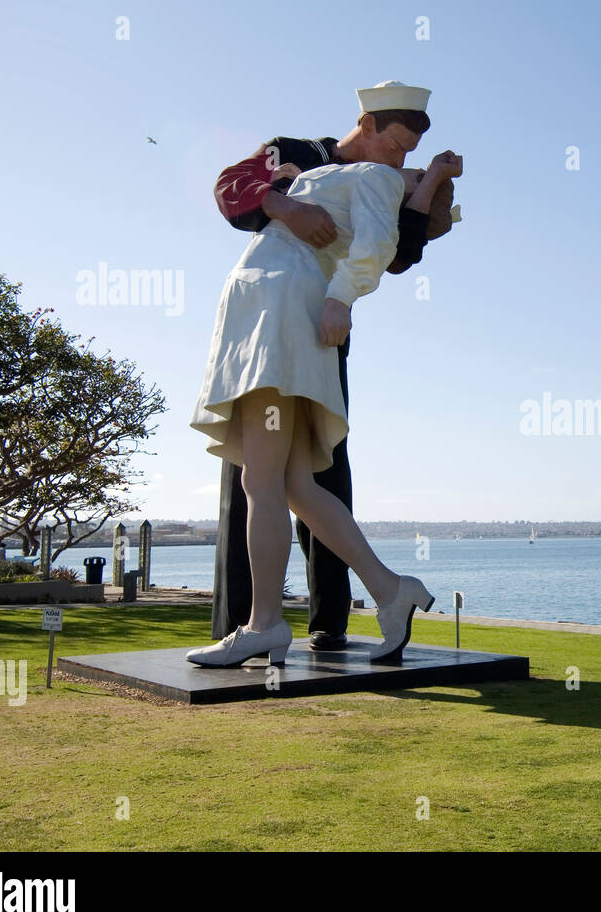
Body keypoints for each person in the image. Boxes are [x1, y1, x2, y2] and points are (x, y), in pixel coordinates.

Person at [186, 81, 461, 666]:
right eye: (392, 144)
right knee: (293, 484)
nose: (399, 160)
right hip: (272, 315)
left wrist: (340, 297)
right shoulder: (310, 160)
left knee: (260, 481)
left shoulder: (379, 180)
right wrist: (285, 201)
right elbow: (232, 189)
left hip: (284, 316)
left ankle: (263, 624)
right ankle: (390, 590)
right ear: (365, 122)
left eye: (409, 158)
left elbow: (389, 246)